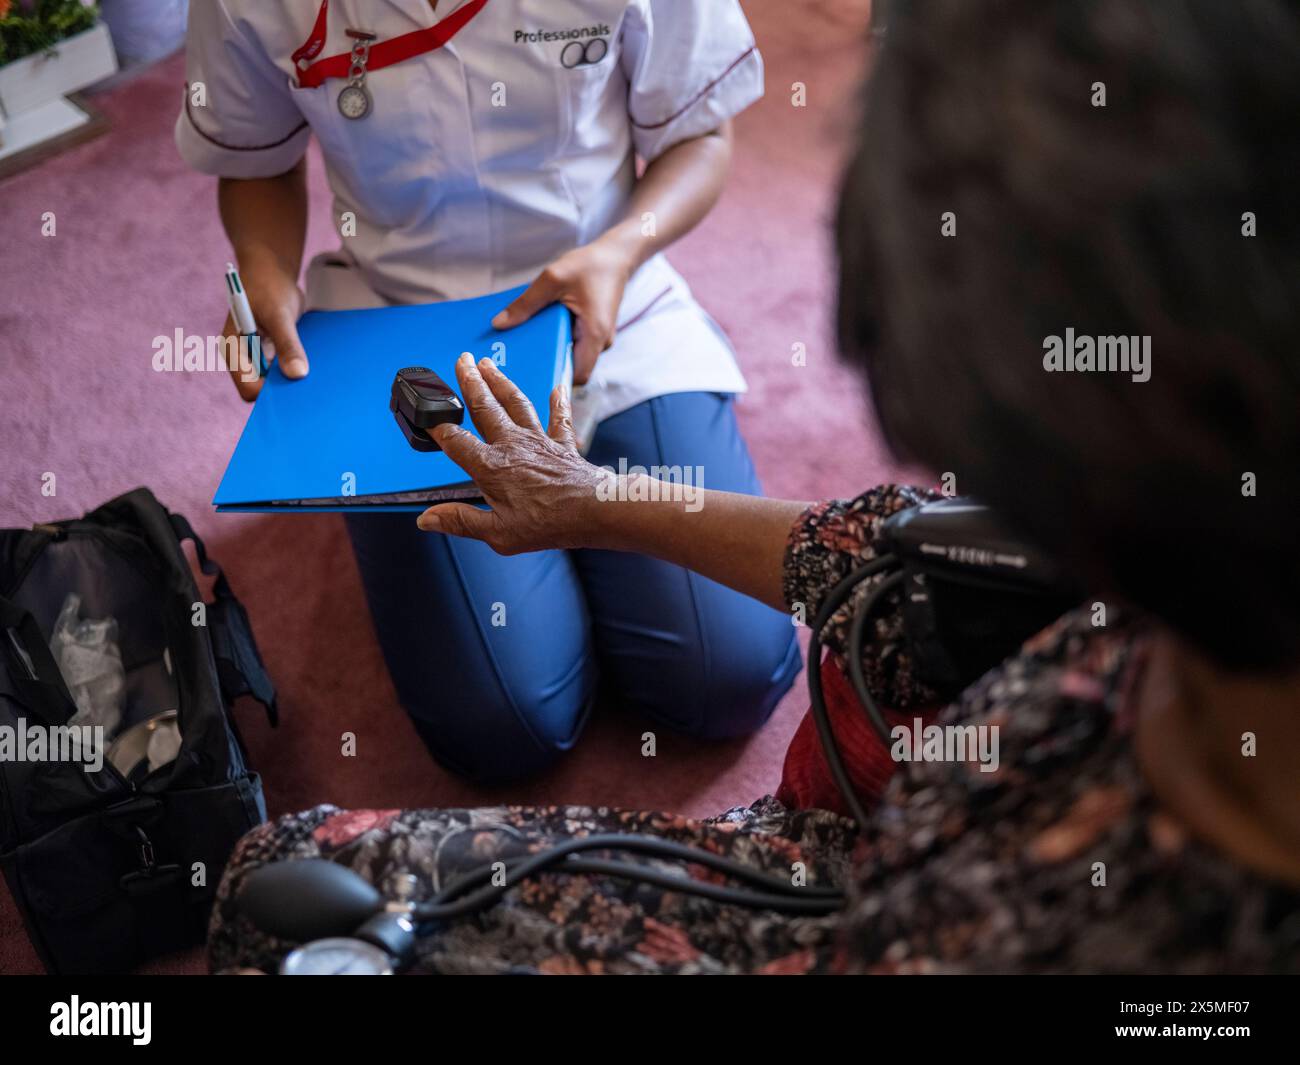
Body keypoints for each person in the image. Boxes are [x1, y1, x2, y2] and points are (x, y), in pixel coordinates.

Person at [209, 0, 1299, 974]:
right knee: (497, 724)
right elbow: (890, 551)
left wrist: (620, 261)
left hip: (832, 905)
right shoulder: (1139, 576)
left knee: (282, 893)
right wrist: (587, 499)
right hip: (849, 851)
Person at [176, 0, 801, 782]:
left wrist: (618, 252)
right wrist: (266, 283)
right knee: (503, 729)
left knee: (728, 677)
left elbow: (701, 135)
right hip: (399, 341)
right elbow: (255, 161)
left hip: (607, 307)